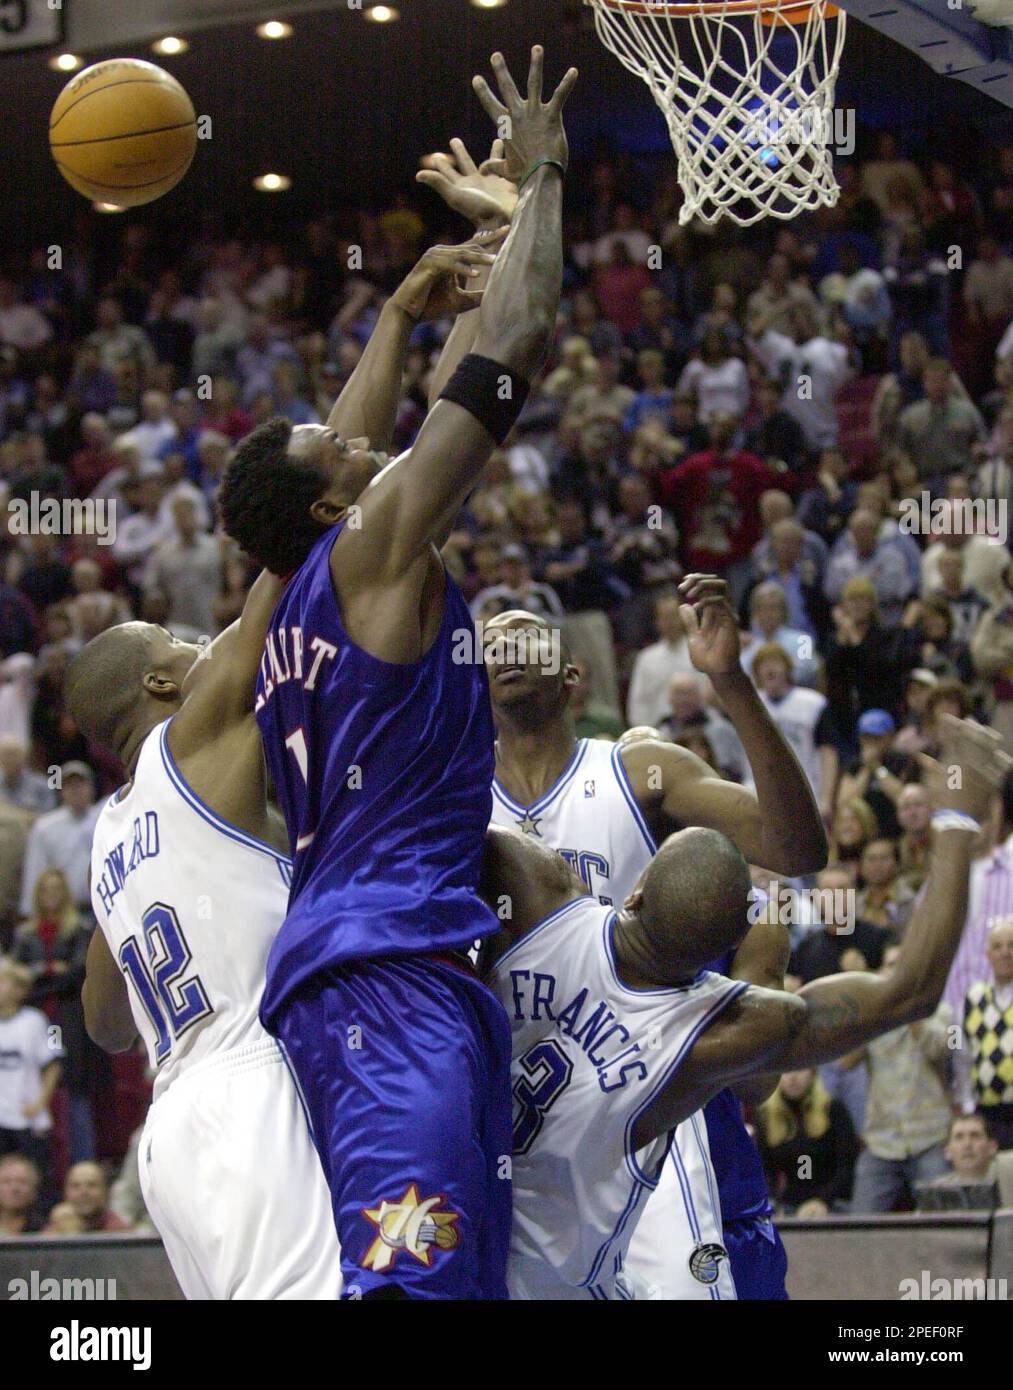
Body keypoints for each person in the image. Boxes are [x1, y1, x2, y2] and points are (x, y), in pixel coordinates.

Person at [63, 171, 502, 1298]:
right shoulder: (202, 714)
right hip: (252, 1083)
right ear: (165, 674)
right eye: (179, 632)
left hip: (169, 1137)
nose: (204, 632)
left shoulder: (109, 850)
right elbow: (315, 528)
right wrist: (398, 318)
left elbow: (108, 1025)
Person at [217, 48, 576, 1301]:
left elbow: (371, 425)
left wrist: (412, 297)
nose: (363, 436)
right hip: (388, 983)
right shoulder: (366, 551)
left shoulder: (286, 606)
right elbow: (514, 344)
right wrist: (540, 179)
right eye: (342, 448)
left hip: (375, 968)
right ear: (330, 500)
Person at [477, 712, 1004, 1297]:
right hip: (554, 1282)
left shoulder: (538, 889)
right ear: (734, 942)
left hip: (455, 1222)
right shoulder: (708, 1043)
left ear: (637, 887)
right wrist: (957, 819)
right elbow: (911, 991)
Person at [484, 576, 827, 1300]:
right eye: (490, 641)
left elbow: (795, 847)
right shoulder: (450, 797)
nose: (506, 647)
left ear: (572, 672)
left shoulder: (636, 769)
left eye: (526, 635)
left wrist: (730, 684)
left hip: (639, 1091)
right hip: (510, 1113)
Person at [847, 945, 953, 1212]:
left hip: (929, 1135)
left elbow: (940, 1048)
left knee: (945, 1221)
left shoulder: (942, 1011)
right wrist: (869, 1009)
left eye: (904, 967)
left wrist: (909, 1009)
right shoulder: (873, 1017)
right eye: (892, 966)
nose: (899, 974)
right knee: (859, 1225)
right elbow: (845, 1061)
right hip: (882, 1141)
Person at [755, 1069, 859, 1216]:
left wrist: (822, 1201)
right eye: (786, 1071)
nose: (793, 1077)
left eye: (800, 1069)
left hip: (834, 1202)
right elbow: (764, 1172)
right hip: (789, 1206)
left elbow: (847, 1168)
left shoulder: (833, 1110)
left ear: (813, 1073)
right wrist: (774, 1202)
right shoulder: (766, 1117)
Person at [0, 957, 62, 1183]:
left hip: (26, 1118)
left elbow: (54, 1064)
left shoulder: (35, 1021)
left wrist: (40, 1103)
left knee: (35, 1179)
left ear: (19, 990)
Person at [957, 917, 1013, 1149]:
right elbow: (959, 1049)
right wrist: (966, 1100)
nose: (1005, 952)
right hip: (988, 1114)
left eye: (1012, 945)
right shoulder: (972, 997)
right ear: (988, 954)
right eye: (998, 946)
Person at [0, 1151, 43, 1235]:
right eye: (6, 1182)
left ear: (34, 1191)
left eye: (22, 1182)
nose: (14, 1188)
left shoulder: (44, 1230)